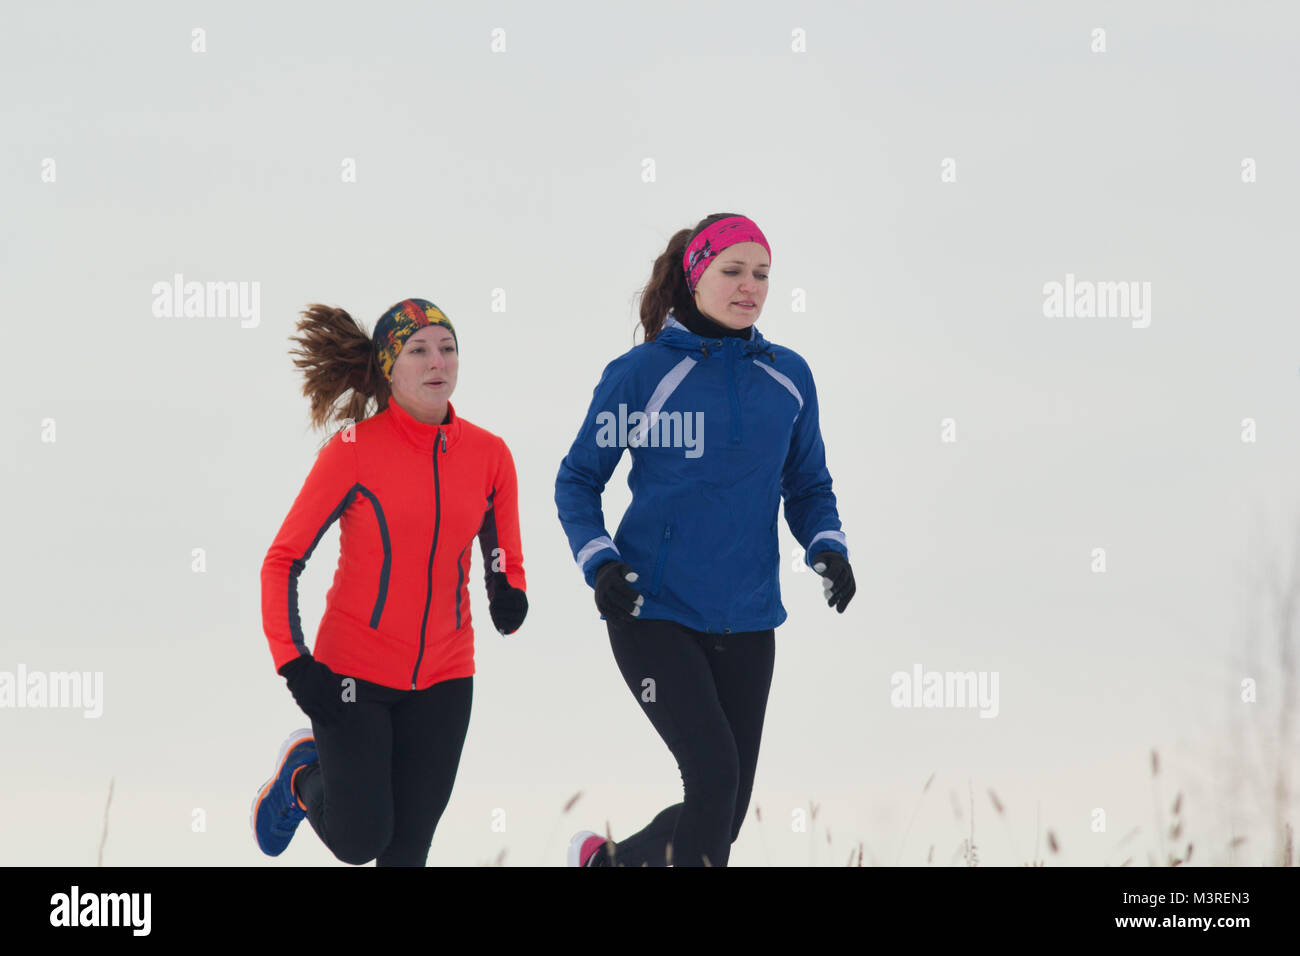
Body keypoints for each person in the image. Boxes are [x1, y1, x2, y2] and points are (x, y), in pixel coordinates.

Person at [555, 213, 856, 867]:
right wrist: (599, 562)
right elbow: (578, 480)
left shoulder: (788, 378)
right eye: (733, 271)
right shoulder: (642, 374)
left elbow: (806, 486)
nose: (750, 286)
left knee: (725, 815)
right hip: (651, 608)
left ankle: (606, 864)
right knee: (713, 777)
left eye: (762, 274)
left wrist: (827, 546)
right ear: (695, 277)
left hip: (748, 617)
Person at [251, 297, 528, 866]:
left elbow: (499, 544)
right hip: (353, 674)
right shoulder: (354, 452)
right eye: (419, 350)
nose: (437, 363)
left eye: (448, 349)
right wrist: (294, 662)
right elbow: (282, 559)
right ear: (388, 368)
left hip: (446, 676)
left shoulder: (490, 454)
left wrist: (508, 589)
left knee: (406, 853)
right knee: (360, 842)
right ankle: (303, 774)